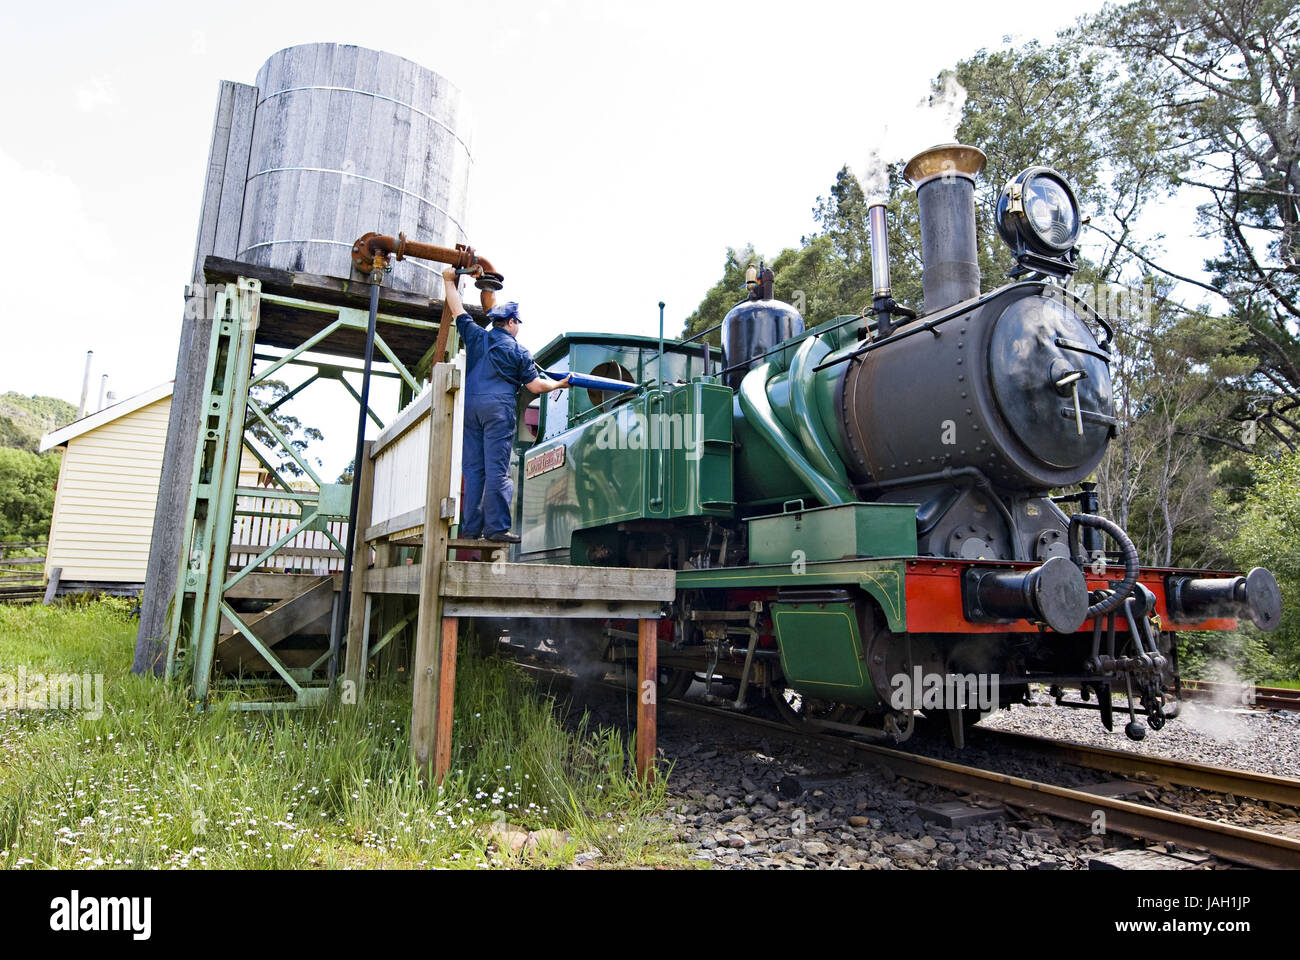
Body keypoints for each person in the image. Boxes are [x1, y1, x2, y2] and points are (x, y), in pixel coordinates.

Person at [441, 265, 571, 543]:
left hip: (472, 410)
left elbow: (456, 309)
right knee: (498, 471)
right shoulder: (519, 351)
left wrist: (448, 281)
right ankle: (497, 529)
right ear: (511, 322)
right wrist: (559, 384)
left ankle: (471, 530)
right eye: (518, 323)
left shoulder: (476, 336)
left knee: (474, 471)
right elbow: (535, 386)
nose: (519, 327)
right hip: (498, 411)